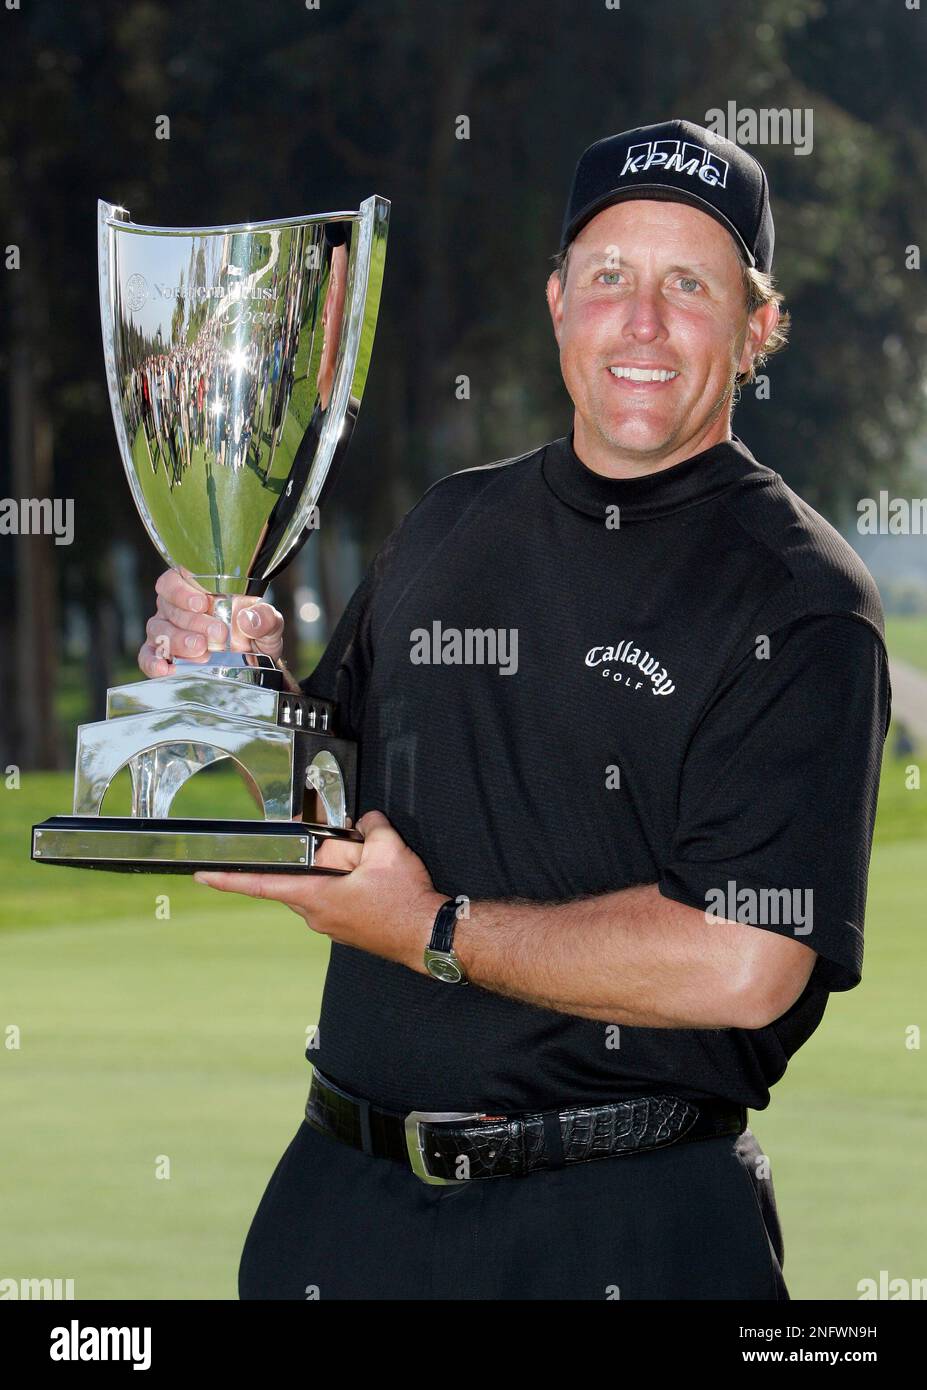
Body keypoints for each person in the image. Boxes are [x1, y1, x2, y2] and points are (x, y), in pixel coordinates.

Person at [138, 119, 891, 1301]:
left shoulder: (798, 595)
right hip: (341, 1207)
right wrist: (233, 683)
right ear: (557, 304)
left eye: (687, 285)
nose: (640, 323)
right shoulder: (451, 521)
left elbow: (745, 963)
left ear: (758, 328)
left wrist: (433, 929)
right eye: (609, 278)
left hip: (623, 1230)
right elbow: (325, 798)